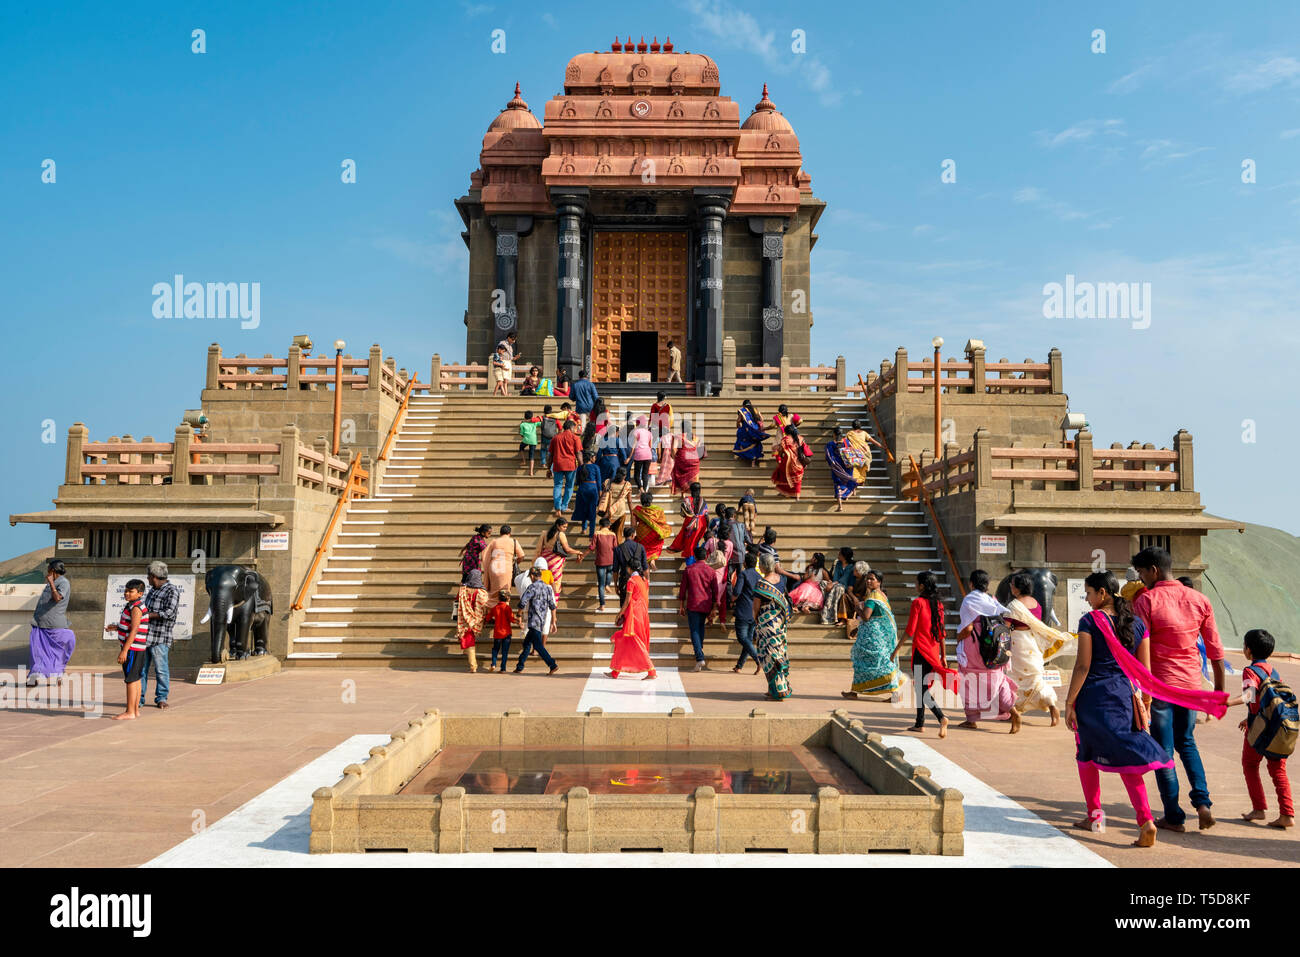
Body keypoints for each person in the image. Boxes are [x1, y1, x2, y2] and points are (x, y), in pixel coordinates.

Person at [1067, 570, 1226, 845]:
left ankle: (1094, 816)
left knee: (1086, 754)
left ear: (1102, 593)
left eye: (1089, 593)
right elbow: (1145, 671)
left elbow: (1082, 666)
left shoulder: (1089, 621)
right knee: (1128, 758)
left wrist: (1069, 702)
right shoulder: (1138, 624)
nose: (1087, 598)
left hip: (1094, 698)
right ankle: (1146, 820)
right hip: (1126, 698)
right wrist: (1145, 703)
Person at [1131, 546, 1225, 833]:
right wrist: (1218, 695)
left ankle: (1173, 815)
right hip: (1192, 687)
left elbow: (1140, 650)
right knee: (1187, 743)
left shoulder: (1146, 601)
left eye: (1142, 573)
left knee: (1163, 751)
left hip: (1160, 688)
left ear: (1153, 571)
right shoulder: (1200, 600)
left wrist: (1141, 692)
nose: (1141, 579)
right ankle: (1203, 804)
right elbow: (1215, 651)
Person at [1226, 628, 1294, 829]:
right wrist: (1248, 718)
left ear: (1248, 650)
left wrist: (1227, 703)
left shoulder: (1249, 670)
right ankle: (1287, 814)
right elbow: (1269, 699)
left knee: (1250, 765)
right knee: (1278, 769)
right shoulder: (1273, 671)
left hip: (1259, 730)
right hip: (1277, 726)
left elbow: (1250, 696)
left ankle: (1258, 808)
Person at [954, 569, 1020, 732]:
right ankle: (1012, 710)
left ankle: (971, 719)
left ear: (971, 584)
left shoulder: (969, 600)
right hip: (994, 648)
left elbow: (968, 627)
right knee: (997, 681)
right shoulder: (992, 600)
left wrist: (958, 638)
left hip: (974, 647)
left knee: (968, 682)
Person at [1004, 571, 1064, 725]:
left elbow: (1006, 627)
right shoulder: (1036, 603)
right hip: (1032, 643)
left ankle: (1014, 710)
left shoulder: (1014, 605)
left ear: (1017, 588)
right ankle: (1051, 705)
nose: (1011, 587)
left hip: (1018, 644)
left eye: (1012, 585)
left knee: (1013, 678)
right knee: (1036, 678)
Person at [904, 571, 956, 737]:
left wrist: (896, 649)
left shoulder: (918, 603)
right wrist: (944, 656)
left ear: (922, 586)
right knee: (921, 688)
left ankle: (941, 717)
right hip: (933, 652)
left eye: (916, 582)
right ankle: (919, 723)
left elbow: (910, 630)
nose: (915, 585)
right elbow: (942, 632)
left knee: (921, 689)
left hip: (920, 651)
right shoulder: (938, 604)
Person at [841, 570, 905, 700]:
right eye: (867, 579)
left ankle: (894, 692)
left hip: (872, 638)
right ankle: (856, 691)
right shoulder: (882, 595)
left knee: (865, 663)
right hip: (879, 636)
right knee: (879, 662)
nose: (868, 581)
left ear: (879, 582)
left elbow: (866, 616)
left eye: (872, 579)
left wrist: (857, 606)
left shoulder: (872, 597)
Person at [105, 579, 149, 721]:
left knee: (131, 679)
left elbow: (134, 629)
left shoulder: (136, 608)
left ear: (140, 593)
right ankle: (135, 710)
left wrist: (124, 650)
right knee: (135, 679)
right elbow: (131, 626)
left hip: (133, 648)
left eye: (131, 591)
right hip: (137, 648)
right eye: (126, 590)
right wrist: (117, 627)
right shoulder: (132, 606)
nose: (127, 593)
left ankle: (129, 711)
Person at [27, 559, 75, 687]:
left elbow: (58, 598)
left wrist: (52, 584)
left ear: (53, 571)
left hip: (53, 625)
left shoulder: (63, 582)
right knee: (37, 652)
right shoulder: (51, 583)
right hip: (40, 623)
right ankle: (35, 676)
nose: (47, 572)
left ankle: (57, 674)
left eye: (48, 569)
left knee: (54, 652)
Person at [140, 561, 179, 710]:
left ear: (154, 576)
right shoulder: (152, 590)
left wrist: (148, 616)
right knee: (141, 669)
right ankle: (139, 698)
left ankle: (161, 698)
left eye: (149, 576)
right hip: (145, 636)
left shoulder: (171, 590)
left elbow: (169, 613)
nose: (148, 579)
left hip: (160, 637)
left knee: (161, 669)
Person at [753, 553, 793, 700]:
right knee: (778, 654)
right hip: (779, 624)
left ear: (763, 566)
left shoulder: (761, 584)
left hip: (766, 625)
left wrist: (757, 621)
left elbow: (755, 608)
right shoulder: (781, 580)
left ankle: (778, 692)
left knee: (769, 657)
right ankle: (773, 689)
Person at [679, 543, 723, 671]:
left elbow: (683, 590)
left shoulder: (689, 569)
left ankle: (699, 657)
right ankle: (699, 653)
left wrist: (681, 605)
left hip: (693, 603)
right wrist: (714, 608)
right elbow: (716, 591)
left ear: (695, 557)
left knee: (694, 630)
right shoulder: (711, 571)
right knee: (700, 628)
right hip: (706, 604)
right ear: (706, 556)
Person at [607, 568, 655, 680]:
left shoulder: (631, 581)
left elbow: (627, 600)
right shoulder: (644, 581)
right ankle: (615, 672)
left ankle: (652, 671)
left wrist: (619, 614)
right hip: (642, 614)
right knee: (624, 641)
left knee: (637, 643)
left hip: (634, 616)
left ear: (629, 568)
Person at [515, 567, 559, 674]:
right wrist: (553, 621)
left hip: (533, 620)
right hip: (541, 620)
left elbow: (523, 601)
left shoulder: (532, 587)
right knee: (527, 643)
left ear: (532, 576)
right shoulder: (548, 588)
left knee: (538, 646)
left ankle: (552, 664)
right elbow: (553, 606)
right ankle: (520, 666)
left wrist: (518, 614)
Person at [729, 550, 764, 674]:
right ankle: (739, 666)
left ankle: (758, 659)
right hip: (754, 611)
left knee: (742, 637)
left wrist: (732, 599)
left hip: (743, 610)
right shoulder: (760, 577)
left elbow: (737, 592)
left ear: (745, 563)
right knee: (748, 639)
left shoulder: (743, 574)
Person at [536, 517, 583, 597]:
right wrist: (578, 552)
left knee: (544, 582)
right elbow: (567, 549)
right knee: (555, 584)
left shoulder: (544, 533)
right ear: (558, 526)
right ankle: (553, 605)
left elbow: (538, 550)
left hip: (544, 562)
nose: (565, 529)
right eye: (564, 527)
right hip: (555, 563)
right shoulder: (561, 534)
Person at [456, 570, 489, 673]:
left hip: (464, 619)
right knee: (469, 640)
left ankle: (473, 666)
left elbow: (456, 601)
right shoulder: (482, 592)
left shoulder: (462, 590)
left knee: (469, 641)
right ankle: (469, 657)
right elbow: (485, 607)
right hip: (476, 620)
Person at [549, 419, 584, 515]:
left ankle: (557, 508)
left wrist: (549, 468)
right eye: (575, 428)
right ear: (572, 427)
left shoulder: (556, 438)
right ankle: (564, 506)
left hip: (558, 464)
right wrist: (582, 466)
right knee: (569, 486)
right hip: (570, 465)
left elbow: (550, 455)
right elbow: (578, 453)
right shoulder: (575, 438)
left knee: (557, 485)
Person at [482, 525, 526, 596]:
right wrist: (515, 563)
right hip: (506, 569)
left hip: (493, 569)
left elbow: (484, 553)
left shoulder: (494, 542)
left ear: (500, 533)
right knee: (505, 593)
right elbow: (521, 556)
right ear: (510, 533)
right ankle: (504, 606)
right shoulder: (513, 542)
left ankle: (492, 606)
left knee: (493, 593)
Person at [586, 517, 619, 612]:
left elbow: (592, 547)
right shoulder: (613, 534)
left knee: (600, 584)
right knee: (609, 572)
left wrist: (583, 555)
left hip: (600, 561)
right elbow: (615, 547)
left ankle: (602, 605)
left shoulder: (597, 533)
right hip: (611, 560)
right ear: (609, 526)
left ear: (600, 525)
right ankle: (608, 584)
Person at [632, 490, 671, 569]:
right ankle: (652, 560)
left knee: (640, 543)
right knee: (657, 543)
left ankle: (646, 560)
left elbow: (633, 525)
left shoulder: (637, 510)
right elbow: (662, 522)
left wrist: (635, 533)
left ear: (641, 501)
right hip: (655, 533)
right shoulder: (658, 510)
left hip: (642, 534)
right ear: (651, 500)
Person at [771, 425, 811, 500]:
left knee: (783, 477)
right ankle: (797, 496)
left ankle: (785, 492)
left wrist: (779, 456)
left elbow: (780, 450)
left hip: (787, 462)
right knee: (797, 480)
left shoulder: (785, 439)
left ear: (786, 432)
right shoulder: (801, 438)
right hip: (799, 462)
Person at [670, 482, 709, 558]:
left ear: (690, 490)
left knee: (689, 545)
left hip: (690, 524)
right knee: (695, 542)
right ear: (700, 490)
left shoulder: (686, 500)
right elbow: (706, 515)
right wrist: (708, 527)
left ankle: (690, 563)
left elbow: (683, 514)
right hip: (701, 524)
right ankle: (695, 560)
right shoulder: (703, 501)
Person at [613, 525, 649, 605]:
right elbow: (645, 568)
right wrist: (647, 581)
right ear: (633, 535)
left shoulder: (618, 549)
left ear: (624, 535)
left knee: (625, 606)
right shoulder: (641, 547)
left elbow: (615, 570)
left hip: (624, 581)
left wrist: (616, 585)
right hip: (639, 581)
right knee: (638, 606)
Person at [821, 547, 856, 627]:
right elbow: (836, 577)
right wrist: (831, 583)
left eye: (840, 554)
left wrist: (833, 584)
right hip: (836, 583)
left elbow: (844, 579)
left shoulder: (851, 566)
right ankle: (824, 608)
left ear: (844, 556)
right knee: (823, 583)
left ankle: (833, 616)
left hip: (845, 586)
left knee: (838, 588)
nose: (838, 555)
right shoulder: (838, 564)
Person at [825, 427, 858, 511]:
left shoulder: (830, 444)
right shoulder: (847, 442)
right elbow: (853, 452)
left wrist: (833, 464)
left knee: (838, 485)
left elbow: (829, 456)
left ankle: (840, 506)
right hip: (848, 466)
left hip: (837, 468)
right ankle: (851, 491)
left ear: (834, 434)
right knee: (848, 481)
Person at [572, 451, 603, 536]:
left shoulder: (580, 467)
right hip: (593, 489)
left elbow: (577, 481)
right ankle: (591, 534)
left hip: (582, 489)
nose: (595, 458)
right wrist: (600, 494)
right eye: (594, 457)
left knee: (584, 509)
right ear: (590, 457)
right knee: (592, 511)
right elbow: (599, 482)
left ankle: (584, 528)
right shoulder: (596, 467)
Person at [670, 419, 705, 493]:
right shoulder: (696, 437)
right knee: (694, 477)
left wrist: (674, 458)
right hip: (694, 460)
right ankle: (695, 493)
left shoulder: (678, 436)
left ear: (682, 428)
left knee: (679, 473)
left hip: (683, 459)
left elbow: (673, 449)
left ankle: (683, 493)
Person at [598, 466, 635, 535]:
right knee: (618, 534)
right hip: (620, 512)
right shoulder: (627, 485)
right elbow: (629, 501)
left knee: (604, 534)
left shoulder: (608, 482)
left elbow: (602, 496)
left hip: (608, 512)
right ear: (625, 476)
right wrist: (632, 514)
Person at [843, 419, 880, 486]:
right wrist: (881, 445)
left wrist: (849, 447)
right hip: (864, 453)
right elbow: (873, 441)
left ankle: (857, 481)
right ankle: (861, 481)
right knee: (863, 467)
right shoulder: (864, 433)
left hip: (855, 453)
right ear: (860, 425)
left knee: (856, 468)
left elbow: (845, 442)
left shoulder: (849, 433)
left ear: (853, 426)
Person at [733, 400, 769, 467]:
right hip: (755, 430)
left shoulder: (743, 411)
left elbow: (738, 420)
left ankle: (744, 456)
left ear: (743, 405)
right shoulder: (755, 410)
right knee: (755, 443)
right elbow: (762, 419)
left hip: (746, 431)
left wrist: (738, 425)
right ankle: (754, 461)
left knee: (740, 435)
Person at [487, 590, 516, 674]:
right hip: (506, 633)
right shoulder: (507, 608)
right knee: (505, 651)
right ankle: (503, 668)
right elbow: (511, 619)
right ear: (507, 598)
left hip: (497, 633)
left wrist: (492, 620)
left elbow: (488, 618)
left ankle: (493, 664)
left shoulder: (495, 608)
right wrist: (518, 621)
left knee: (495, 649)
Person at [629, 415, 655, 492]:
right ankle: (644, 490)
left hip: (639, 454)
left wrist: (629, 456)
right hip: (648, 454)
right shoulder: (649, 433)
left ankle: (641, 489)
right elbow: (650, 446)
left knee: (637, 474)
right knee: (645, 474)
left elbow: (633, 445)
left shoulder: (636, 431)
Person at [518, 409, 541, 476]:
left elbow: (521, 434)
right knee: (532, 456)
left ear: (524, 417)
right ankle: (531, 472)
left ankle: (524, 461)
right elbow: (541, 422)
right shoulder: (534, 423)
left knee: (521, 447)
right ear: (532, 417)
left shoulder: (522, 424)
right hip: (533, 440)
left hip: (526, 439)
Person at [540, 404, 559, 474]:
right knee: (551, 451)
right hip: (552, 437)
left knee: (543, 449)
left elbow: (535, 421)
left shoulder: (542, 417)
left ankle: (543, 463)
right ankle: (550, 466)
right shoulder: (555, 418)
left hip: (544, 436)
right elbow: (560, 427)